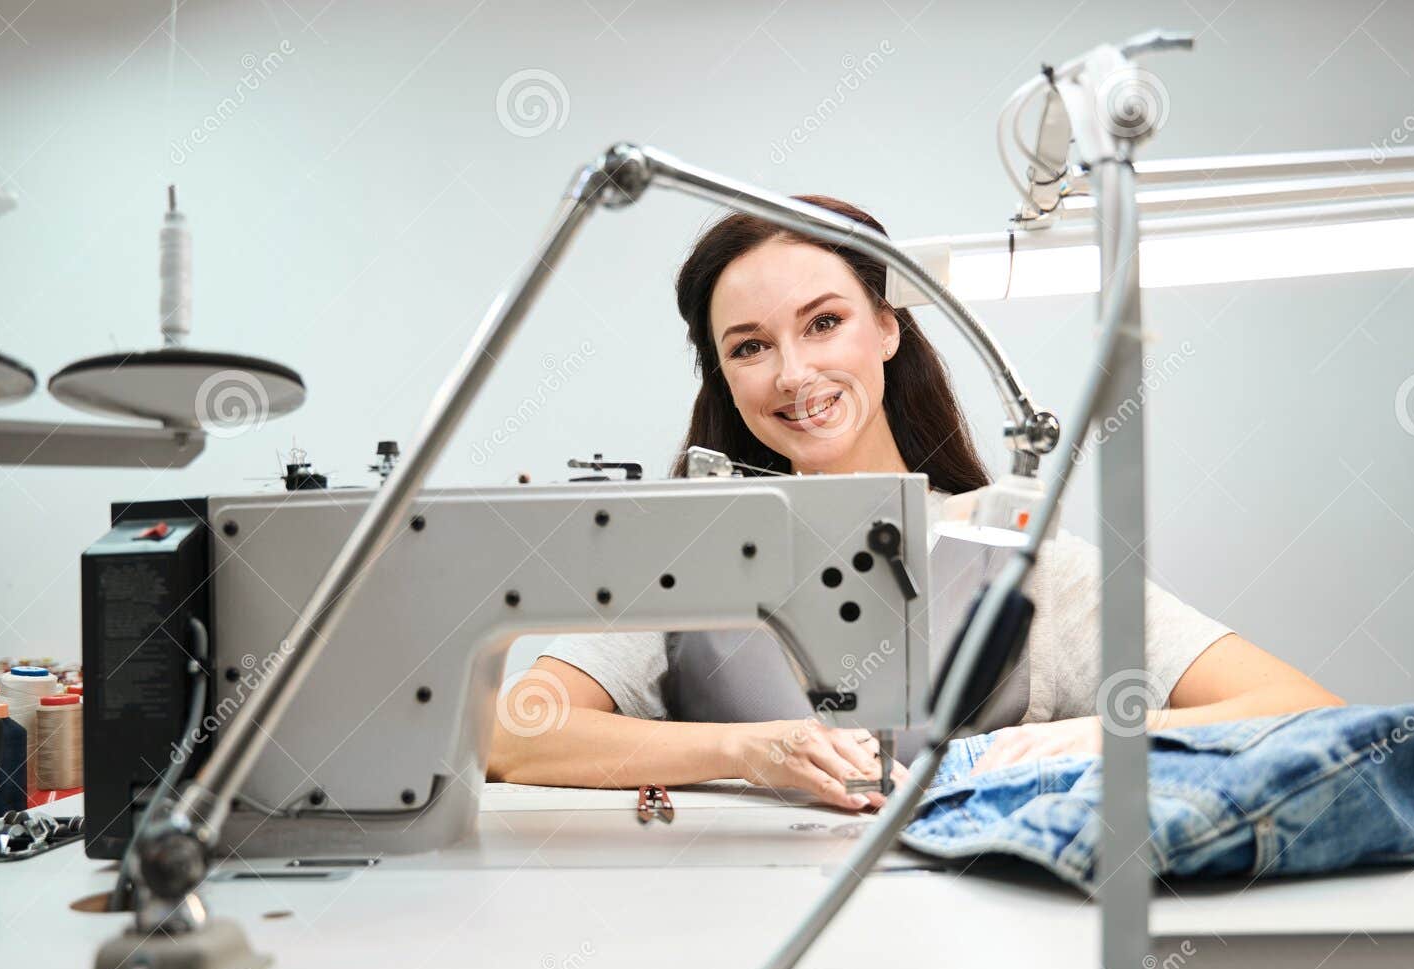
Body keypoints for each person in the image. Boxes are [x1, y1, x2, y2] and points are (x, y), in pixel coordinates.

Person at [486, 194, 1343, 811]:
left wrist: (1118, 738)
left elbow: (1305, 708)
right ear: (724, 376)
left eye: (825, 323)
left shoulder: (1026, 565)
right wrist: (750, 752)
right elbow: (510, 734)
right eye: (750, 347)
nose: (793, 373)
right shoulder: (689, 554)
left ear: (888, 328)